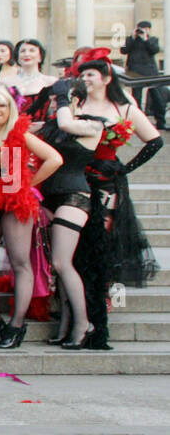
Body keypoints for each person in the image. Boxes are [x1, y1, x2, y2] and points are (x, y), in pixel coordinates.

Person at [68, 55, 163, 349]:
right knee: (75, 252)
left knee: (100, 251)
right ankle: (76, 318)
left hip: (107, 183)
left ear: (107, 78)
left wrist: (124, 167)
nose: (86, 79)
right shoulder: (76, 105)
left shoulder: (125, 108)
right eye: (83, 75)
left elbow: (155, 141)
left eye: (92, 75)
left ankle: (99, 324)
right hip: (75, 180)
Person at [0, 86, 61, 348]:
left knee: (21, 263)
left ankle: (17, 324)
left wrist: (28, 182)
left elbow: (54, 159)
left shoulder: (20, 133)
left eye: (1, 106)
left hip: (16, 203)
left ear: (10, 108)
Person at [122, 21, 166, 129]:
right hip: (135, 71)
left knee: (157, 97)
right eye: (141, 29)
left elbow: (154, 50)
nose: (142, 31)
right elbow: (123, 50)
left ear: (149, 30)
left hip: (150, 71)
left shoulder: (152, 39)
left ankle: (161, 121)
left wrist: (145, 39)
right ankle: (137, 122)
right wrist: (132, 38)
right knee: (136, 97)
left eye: (145, 29)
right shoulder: (131, 39)